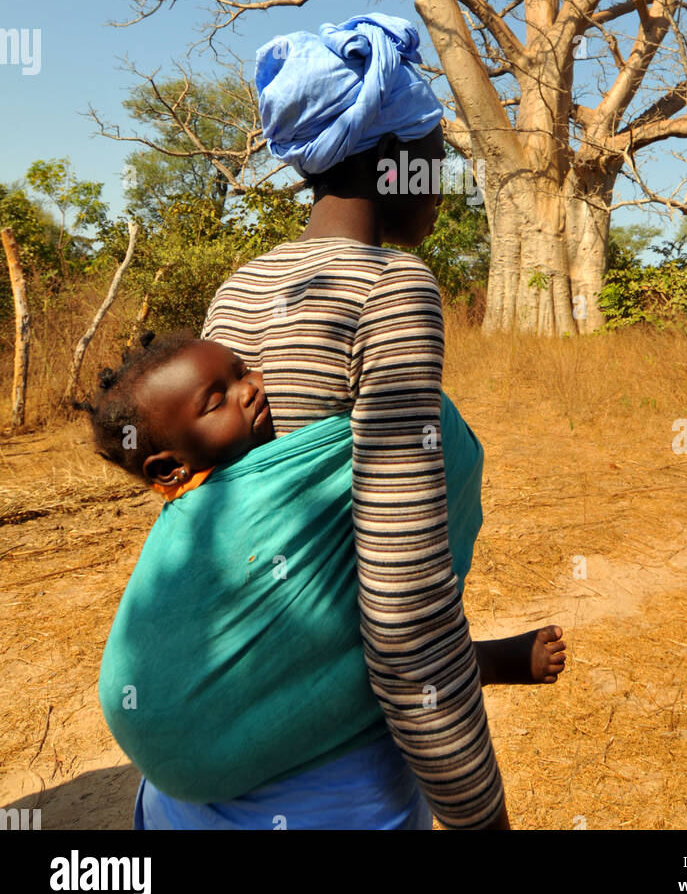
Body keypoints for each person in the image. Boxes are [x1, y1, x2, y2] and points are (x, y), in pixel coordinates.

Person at [99, 12, 566, 829]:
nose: (445, 173)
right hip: (325, 787)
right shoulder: (393, 289)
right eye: (435, 152)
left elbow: (227, 528)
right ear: (396, 163)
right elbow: (402, 603)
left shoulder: (238, 289)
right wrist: (477, 811)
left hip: (196, 777)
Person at [90, 331, 566, 829]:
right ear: (168, 469)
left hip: (181, 772)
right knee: (365, 645)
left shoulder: (245, 487)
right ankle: (473, 662)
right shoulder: (227, 507)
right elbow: (413, 423)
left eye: (242, 371)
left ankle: (466, 661)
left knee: (337, 629)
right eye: (218, 399)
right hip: (204, 743)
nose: (252, 388)